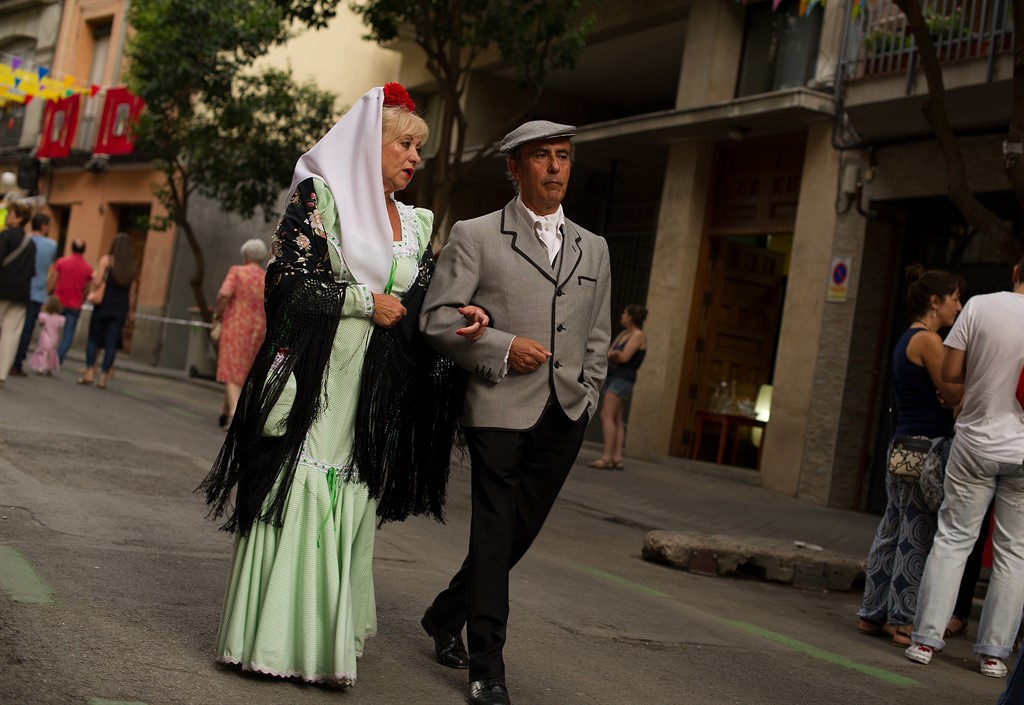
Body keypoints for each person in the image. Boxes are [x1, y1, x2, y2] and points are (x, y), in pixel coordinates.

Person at [198, 83, 487, 687]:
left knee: (351, 491)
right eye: (404, 143)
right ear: (367, 143)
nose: (414, 157)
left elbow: (425, 302)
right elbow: (286, 284)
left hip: (376, 390)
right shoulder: (319, 197)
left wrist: (466, 315)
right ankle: (274, 639)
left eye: (419, 148)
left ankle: (324, 646)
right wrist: (361, 302)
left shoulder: (416, 220)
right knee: (301, 482)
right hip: (316, 379)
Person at [419, 120, 611, 705]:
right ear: (515, 168)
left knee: (518, 534)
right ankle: (487, 667)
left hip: (565, 412)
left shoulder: (594, 247)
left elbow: (597, 334)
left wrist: (589, 393)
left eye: (563, 156)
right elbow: (438, 318)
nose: (555, 167)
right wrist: (503, 347)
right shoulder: (476, 235)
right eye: (542, 157)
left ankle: (444, 613)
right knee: (495, 528)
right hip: (498, 405)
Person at [905, 253, 1024, 678]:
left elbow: (952, 374)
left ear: (1015, 272)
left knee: (954, 539)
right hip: (1023, 454)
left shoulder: (980, 306)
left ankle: (925, 641)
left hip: (974, 442)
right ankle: (994, 653)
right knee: (1014, 553)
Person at [856, 266, 963, 646]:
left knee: (891, 529)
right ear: (935, 302)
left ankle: (872, 613)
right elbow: (951, 394)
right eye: (954, 299)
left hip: (901, 445)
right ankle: (901, 620)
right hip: (926, 449)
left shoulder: (906, 338)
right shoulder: (931, 341)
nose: (959, 307)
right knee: (916, 535)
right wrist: (956, 392)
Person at [213, 238, 268, 428]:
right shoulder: (265, 277)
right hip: (258, 329)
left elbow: (224, 294)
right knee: (244, 370)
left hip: (235, 325)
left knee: (230, 369)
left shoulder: (237, 272)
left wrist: (219, 313)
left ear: (245, 256)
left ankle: (234, 412)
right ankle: (224, 412)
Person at [590, 304, 647, 470]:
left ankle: (607, 457)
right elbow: (609, 353)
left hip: (623, 379)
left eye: (624, 313)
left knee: (606, 414)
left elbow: (623, 357)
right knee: (616, 419)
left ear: (630, 317)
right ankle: (617, 458)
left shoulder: (638, 335)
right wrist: (614, 355)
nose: (622, 316)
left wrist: (616, 355)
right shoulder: (624, 334)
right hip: (615, 377)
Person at [78, 233, 137, 389]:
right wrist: (130, 311)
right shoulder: (131, 266)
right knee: (111, 344)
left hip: (103, 305)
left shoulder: (107, 261)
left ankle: (90, 371)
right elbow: (132, 292)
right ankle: (103, 377)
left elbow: (97, 282)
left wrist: (98, 275)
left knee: (93, 340)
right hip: (120, 308)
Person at [10, 213, 56, 377]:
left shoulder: (24, 239)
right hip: (37, 294)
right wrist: (48, 291)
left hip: (17, 288)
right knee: (26, 330)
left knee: (9, 328)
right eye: (49, 225)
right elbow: (52, 271)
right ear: (43, 226)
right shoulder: (52, 245)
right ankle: (16, 364)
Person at [0, 200, 36, 389]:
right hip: (21, 294)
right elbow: (31, 270)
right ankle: (2, 374)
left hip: (2, 290)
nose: (7, 216)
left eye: (11, 213)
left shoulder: (5, 236)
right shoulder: (30, 243)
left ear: (20, 218)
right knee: (11, 334)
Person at [49, 239, 94, 363]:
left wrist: (49, 293)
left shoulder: (62, 262)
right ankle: (58, 359)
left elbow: (53, 279)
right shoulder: (87, 268)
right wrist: (82, 299)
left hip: (58, 301)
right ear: (84, 250)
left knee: (52, 331)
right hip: (75, 304)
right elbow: (87, 289)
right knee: (68, 335)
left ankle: (47, 356)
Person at [26, 295, 65, 375]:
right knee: (51, 353)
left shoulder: (43, 316)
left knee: (42, 352)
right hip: (54, 337)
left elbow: (40, 323)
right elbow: (60, 327)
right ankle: (49, 368)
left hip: (44, 336)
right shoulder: (60, 318)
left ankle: (40, 367)